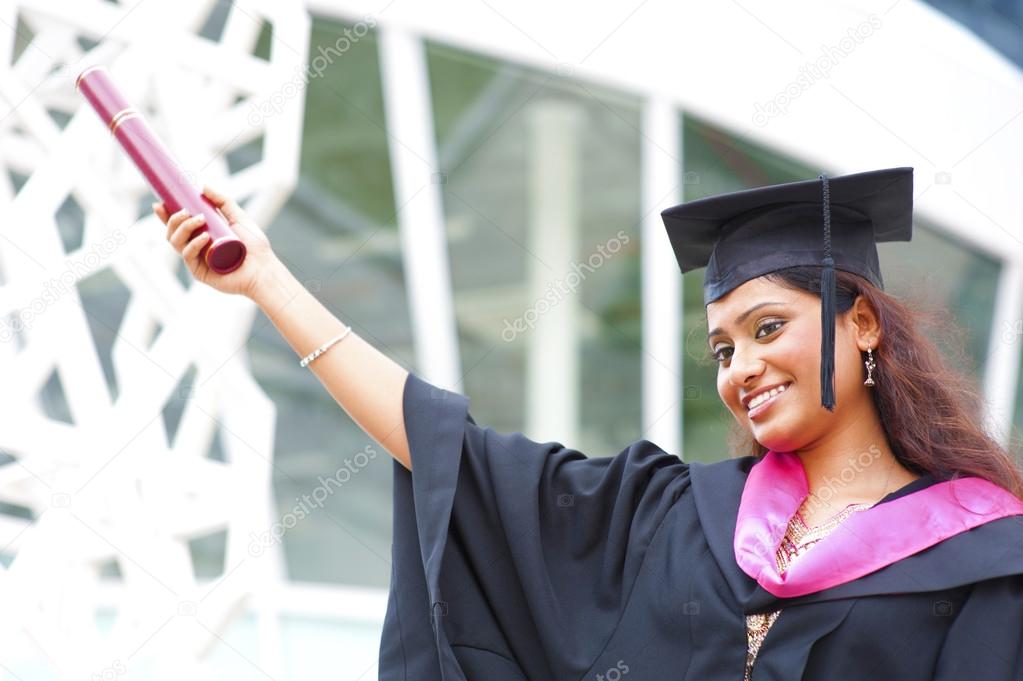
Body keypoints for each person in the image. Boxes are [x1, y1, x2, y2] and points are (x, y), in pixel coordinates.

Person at [155, 166, 1023, 681]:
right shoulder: (672, 516)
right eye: (720, 350)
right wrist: (266, 281)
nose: (742, 368)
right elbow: (446, 449)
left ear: (861, 322)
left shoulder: (985, 558)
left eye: (767, 328)